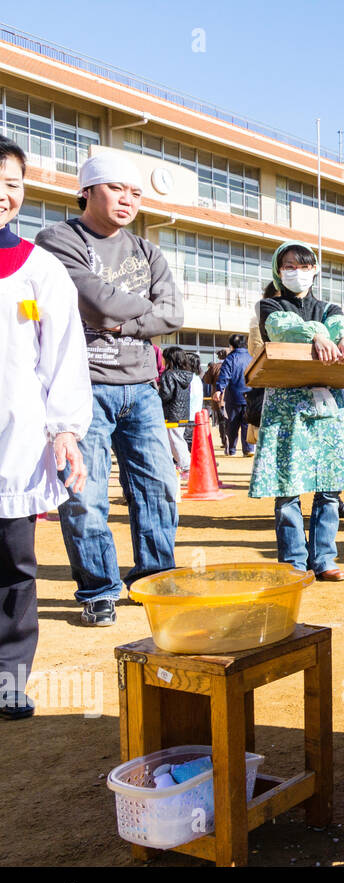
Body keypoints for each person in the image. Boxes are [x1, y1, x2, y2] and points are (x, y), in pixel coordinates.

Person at [35, 152, 183, 627]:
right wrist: (139, 314)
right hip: (83, 387)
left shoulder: (147, 250)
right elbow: (94, 302)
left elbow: (173, 314)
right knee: (86, 494)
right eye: (117, 188)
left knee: (157, 488)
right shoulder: (58, 239)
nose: (128, 199)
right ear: (88, 190)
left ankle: (155, 576)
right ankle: (98, 588)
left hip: (141, 387)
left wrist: (121, 321)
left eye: (136, 192)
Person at [0, 135, 92, 718]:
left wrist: (65, 429)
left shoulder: (38, 270)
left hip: (14, 441)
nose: (2, 197)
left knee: (13, 568)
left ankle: (8, 679)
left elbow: (62, 355)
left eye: (10, 185)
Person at [248, 241, 344, 581]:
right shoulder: (270, 304)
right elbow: (280, 328)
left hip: (327, 407)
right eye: (289, 266)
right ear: (278, 271)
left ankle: (324, 557)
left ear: (315, 269)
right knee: (288, 486)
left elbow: (343, 329)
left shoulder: (328, 306)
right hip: (286, 411)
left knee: (329, 486)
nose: (298, 271)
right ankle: (294, 560)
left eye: (304, 265)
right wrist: (316, 335)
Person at [157, 346, 195, 477]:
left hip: (170, 412)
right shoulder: (187, 375)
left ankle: (186, 466)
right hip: (182, 412)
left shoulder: (168, 374)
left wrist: (157, 392)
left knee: (174, 440)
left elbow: (166, 395)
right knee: (178, 439)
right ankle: (184, 465)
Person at [214, 334, 254, 456]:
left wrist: (219, 390)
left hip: (233, 396)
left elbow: (225, 375)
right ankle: (248, 449)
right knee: (247, 423)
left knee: (231, 424)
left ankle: (231, 449)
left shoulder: (230, 358)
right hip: (250, 395)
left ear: (231, 345)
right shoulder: (251, 358)